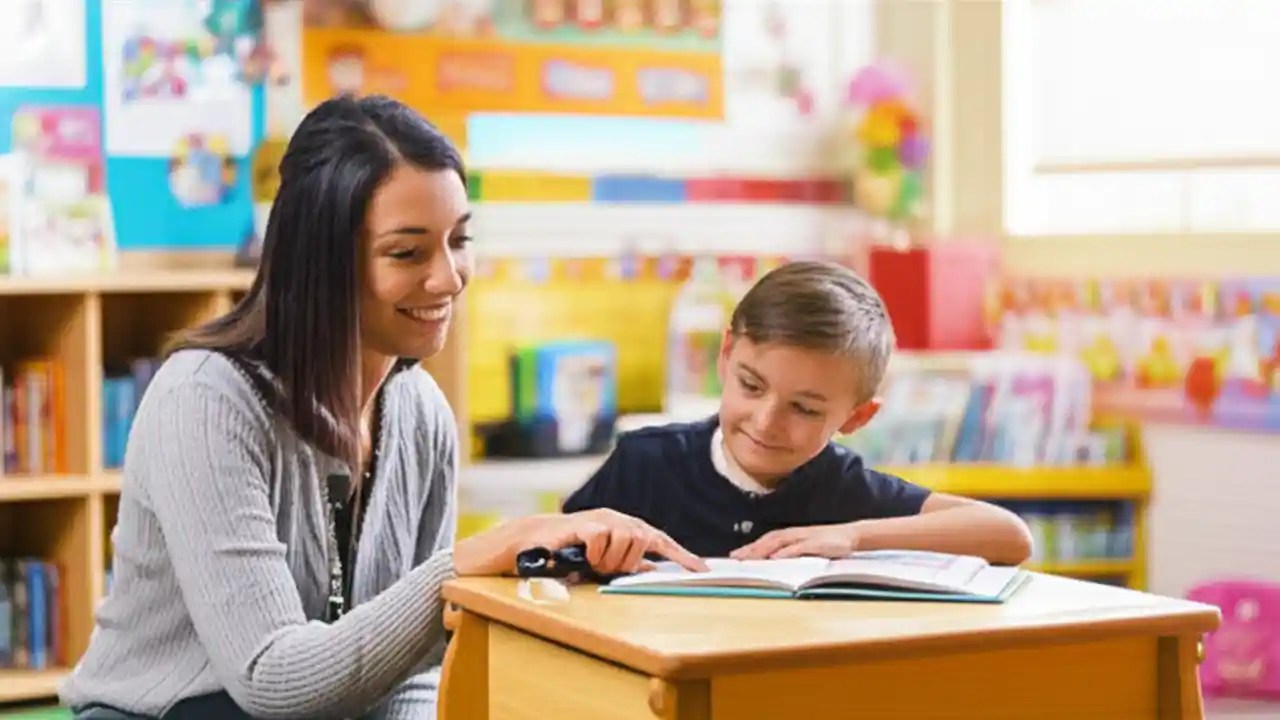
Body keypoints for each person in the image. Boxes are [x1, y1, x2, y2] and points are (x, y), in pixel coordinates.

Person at [60, 95, 705, 720]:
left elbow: (412, 673)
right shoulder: (203, 399)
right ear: (322, 261)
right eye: (407, 252)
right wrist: (471, 563)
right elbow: (273, 680)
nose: (449, 277)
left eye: (459, 239)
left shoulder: (421, 413)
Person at [562, 260, 1034, 565]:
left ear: (857, 417)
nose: (766, 421)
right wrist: (590, 547)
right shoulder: (646, 462)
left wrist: (852, 537)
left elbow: (1008, 535)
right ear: (726, 355)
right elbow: (543, 554)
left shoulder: (845, 491)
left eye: (804, 409)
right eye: (751, 385)